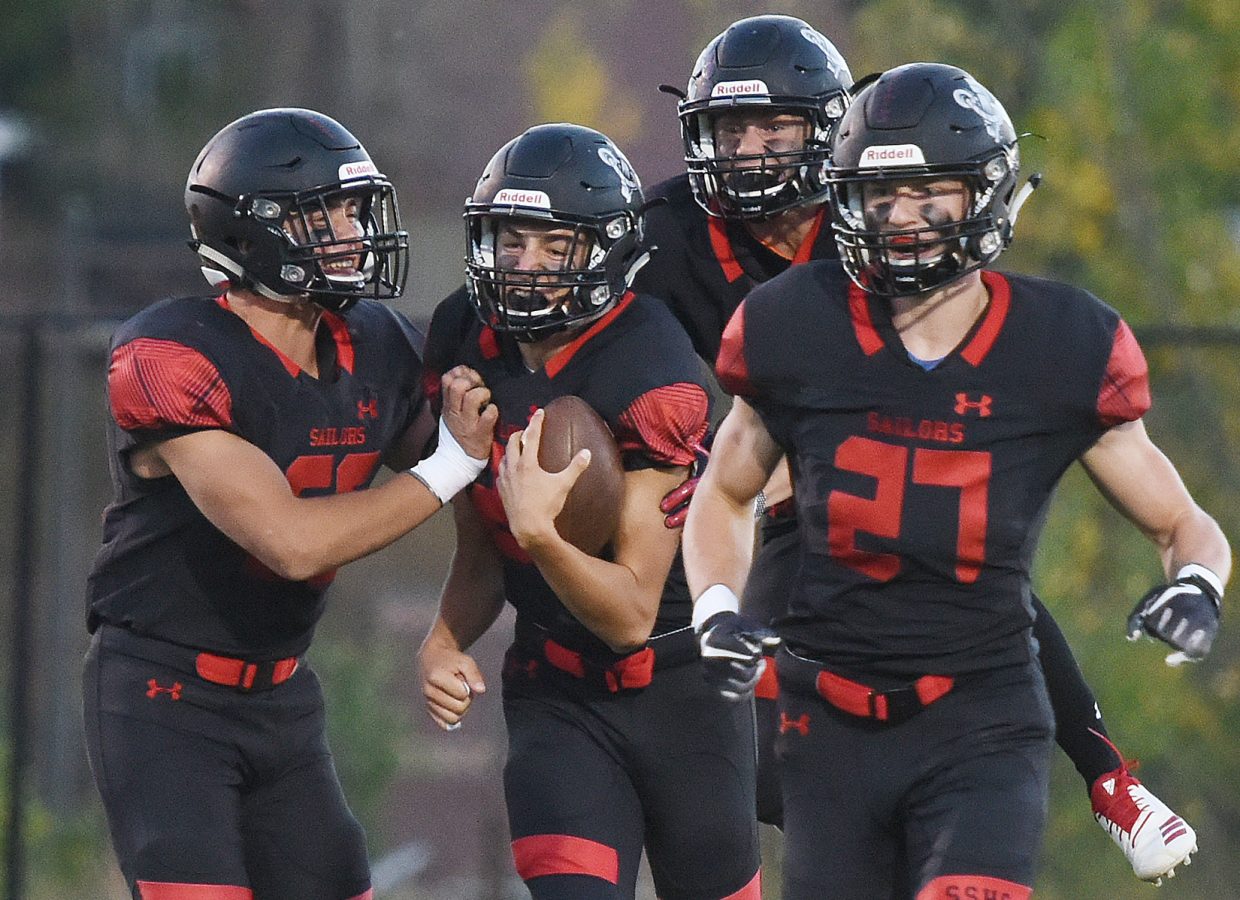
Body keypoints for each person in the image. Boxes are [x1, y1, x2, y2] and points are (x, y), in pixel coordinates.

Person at [638, 14, 1205, 884]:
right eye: (731, 128)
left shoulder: (901, 226)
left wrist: (1195, 578)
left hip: (890, 516)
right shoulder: (678, 242)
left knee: (964, 557)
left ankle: (1109, 779)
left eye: (775, 127)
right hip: (746, 489)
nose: (750, 150)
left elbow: (1166, 511)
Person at [82, 108, 497, 900]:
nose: (351, 231)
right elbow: (292, 543)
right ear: (250, 234)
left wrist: (450, 629)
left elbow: (482, 466)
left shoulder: (376, 343)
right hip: (163, 695)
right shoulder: (171, 354)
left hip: (280, 692)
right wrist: (450, 468)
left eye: (352, 210)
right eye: (325, 214)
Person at [417, 123, 762, 900]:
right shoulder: (463, 337)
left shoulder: (654, 372)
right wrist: (443, 639)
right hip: (558, 693)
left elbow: (631, 612)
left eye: (553, 245)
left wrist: (541, 532)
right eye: (510, 242)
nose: (525, 266)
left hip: (683, 695)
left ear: (603, 253)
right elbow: (483, 535)